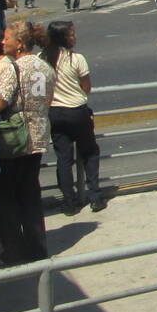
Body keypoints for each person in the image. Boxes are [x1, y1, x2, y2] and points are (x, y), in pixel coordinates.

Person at [0, 21, 55, 266]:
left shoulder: (14, 68)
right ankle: (36, 247)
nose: (3, 42)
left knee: (6, 196)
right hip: (38, 135)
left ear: (19, 44)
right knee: (30, 193)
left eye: (7, 38)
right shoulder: (45, 66)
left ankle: (13, 250)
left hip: (14, 138)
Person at [44, 21, 105, 213]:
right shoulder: (76, 59)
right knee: (89, 152)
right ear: (64, 38)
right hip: (76, 111)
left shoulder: (42, 58)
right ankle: (94, 195)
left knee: (64, 158)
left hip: (54, 112)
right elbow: (86, 87)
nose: (75, 37)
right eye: (71, 34)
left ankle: (69, 202)